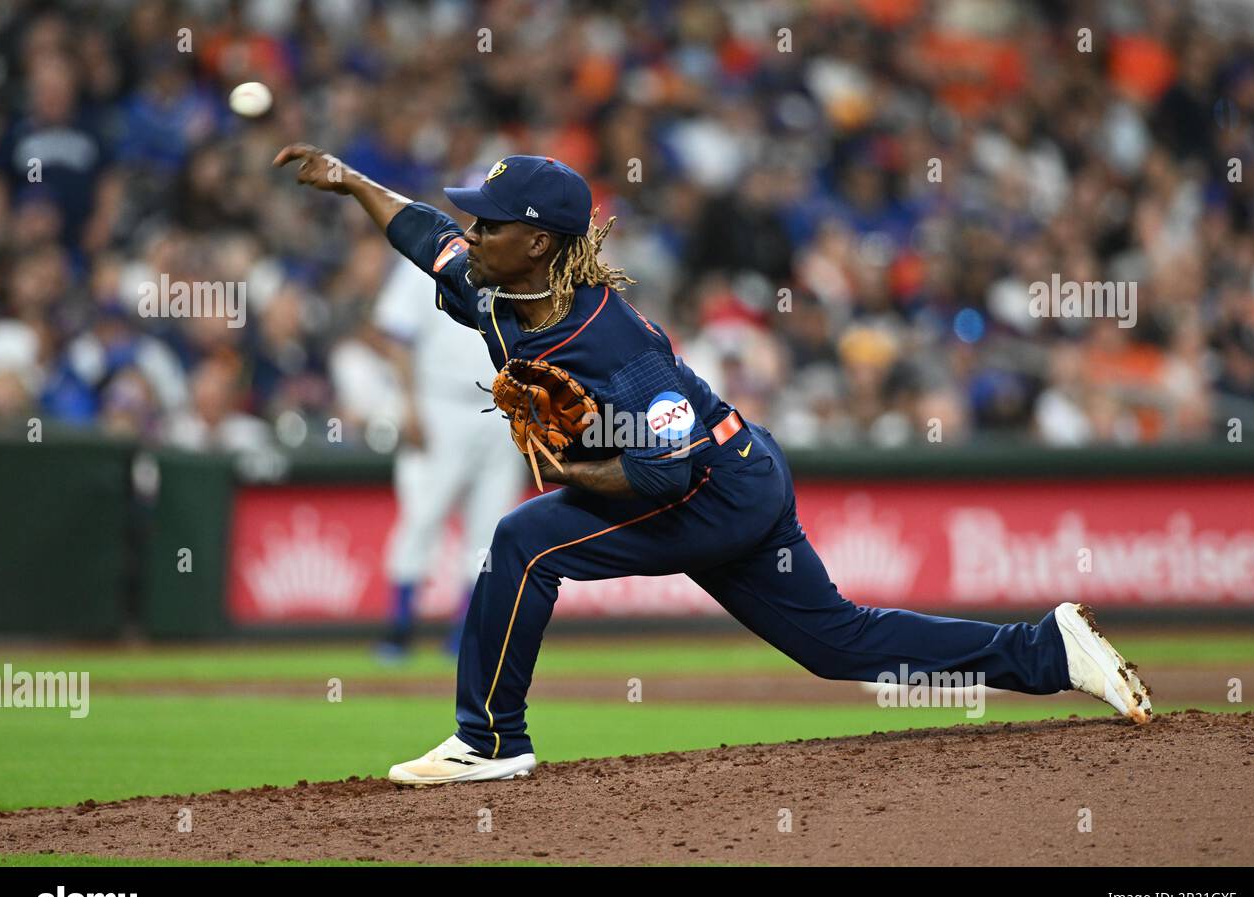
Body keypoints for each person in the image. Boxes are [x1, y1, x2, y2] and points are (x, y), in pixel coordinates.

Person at [273, 145, 1153, 786]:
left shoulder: (615, 349)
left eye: (490, 223)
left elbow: (661, 477)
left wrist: (570, 474)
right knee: (833, 642)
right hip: (730, 471)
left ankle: (492, 742)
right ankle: (1048, 653)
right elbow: (423, 233)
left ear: (538, 244)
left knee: (524, 545)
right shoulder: (497, 288)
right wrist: (351, 182)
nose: (474, 231)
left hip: (715, 487)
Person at [370, 255, 524, 658]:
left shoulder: (521, 266)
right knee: (422, 516)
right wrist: (407, 404)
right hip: (439, 404)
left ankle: (464, 634)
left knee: (489, 531)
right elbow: (396, 333)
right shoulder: (427, 263)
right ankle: (398, 628)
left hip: (501, 408)